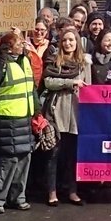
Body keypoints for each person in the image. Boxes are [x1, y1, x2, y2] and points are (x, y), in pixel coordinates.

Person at [40, 25, 90, 206]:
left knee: (73, 155)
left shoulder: (85, 63)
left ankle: (72, 191)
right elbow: (48, 82)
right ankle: (52, 192)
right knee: (54, 153)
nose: (68, 43)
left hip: (76, 112)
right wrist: (70, 82)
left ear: (77, 43)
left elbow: (89, 86)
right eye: (65, 40)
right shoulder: (54, 61)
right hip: (56, 111)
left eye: (72, 40)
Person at [0, 31, 38, 214]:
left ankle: (18, 197)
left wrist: (36, 111)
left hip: (24, 116)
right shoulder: (0, 64)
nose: (23, 44)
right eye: (19, 42)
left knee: (25, 158)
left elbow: (31, 88)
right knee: (8, 160)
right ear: (9, 47)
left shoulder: (25, 61)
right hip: (7, 118)